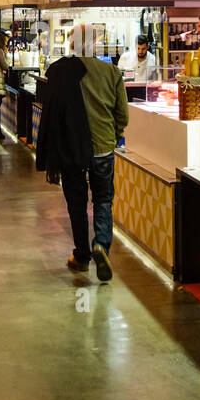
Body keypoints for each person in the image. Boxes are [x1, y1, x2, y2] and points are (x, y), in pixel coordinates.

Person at [37, 24, 128, 282]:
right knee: (102, 199)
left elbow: (51, 112)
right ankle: (101, 244)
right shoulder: (111, 71)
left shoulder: (60, 71)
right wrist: (113, 134)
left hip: (71, 149)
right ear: (95, 44)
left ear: (72, 44)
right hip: (103, 148)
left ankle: (82, 255)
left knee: (76, 202)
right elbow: (123, 114)